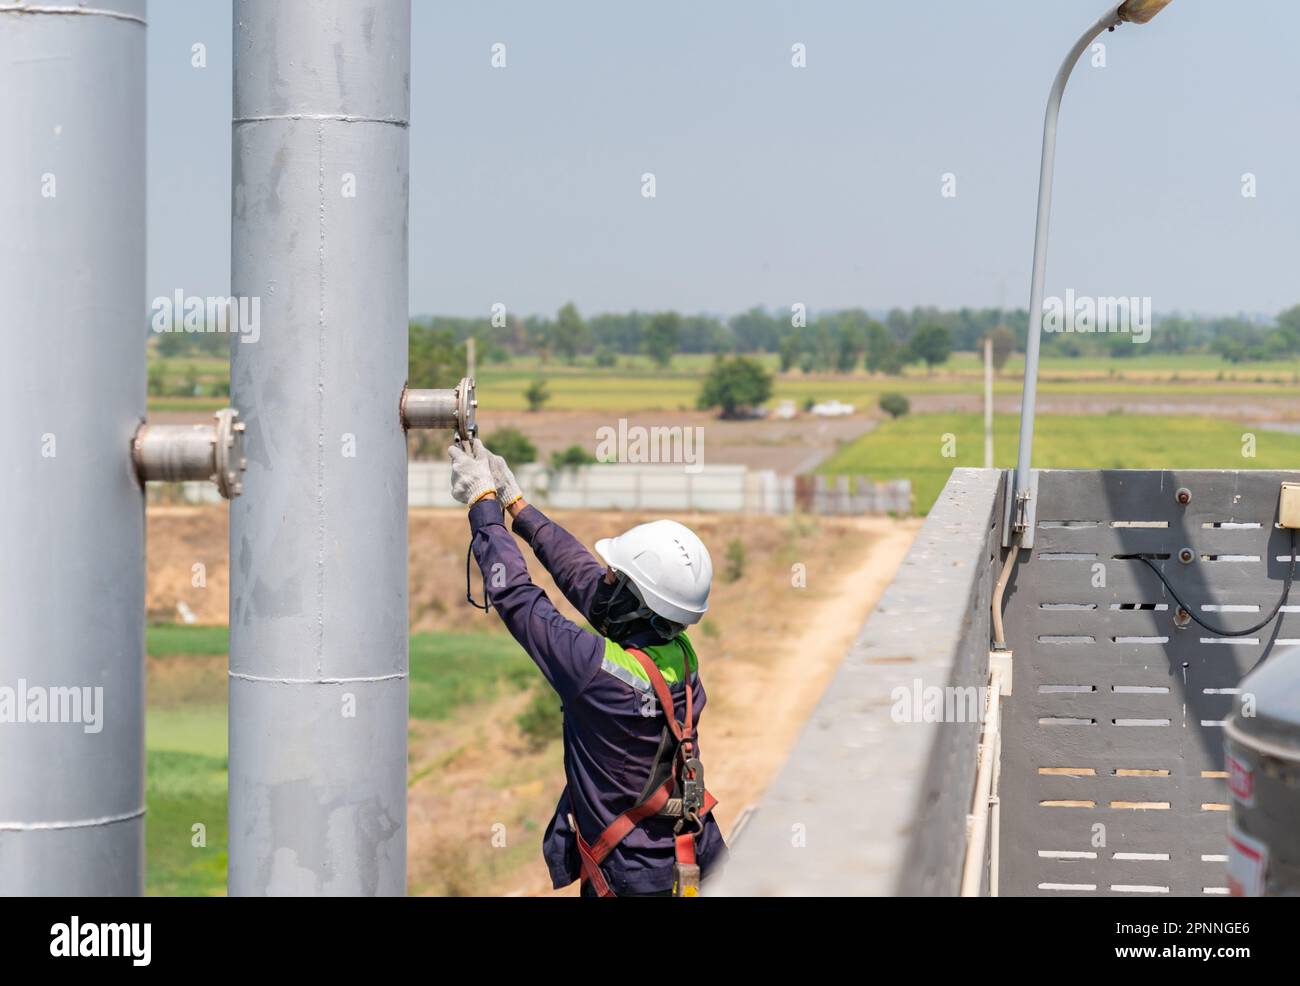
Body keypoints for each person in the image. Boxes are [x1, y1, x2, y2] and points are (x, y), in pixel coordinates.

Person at [448, 437, 726, 897]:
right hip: (694, 854)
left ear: (637, 603)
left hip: (633, 882)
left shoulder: (597, 674)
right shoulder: (680, 653)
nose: (604, 578)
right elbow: (587, 582)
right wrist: (517, 507)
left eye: (615, 576)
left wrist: (483, 508)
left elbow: (517, 598)